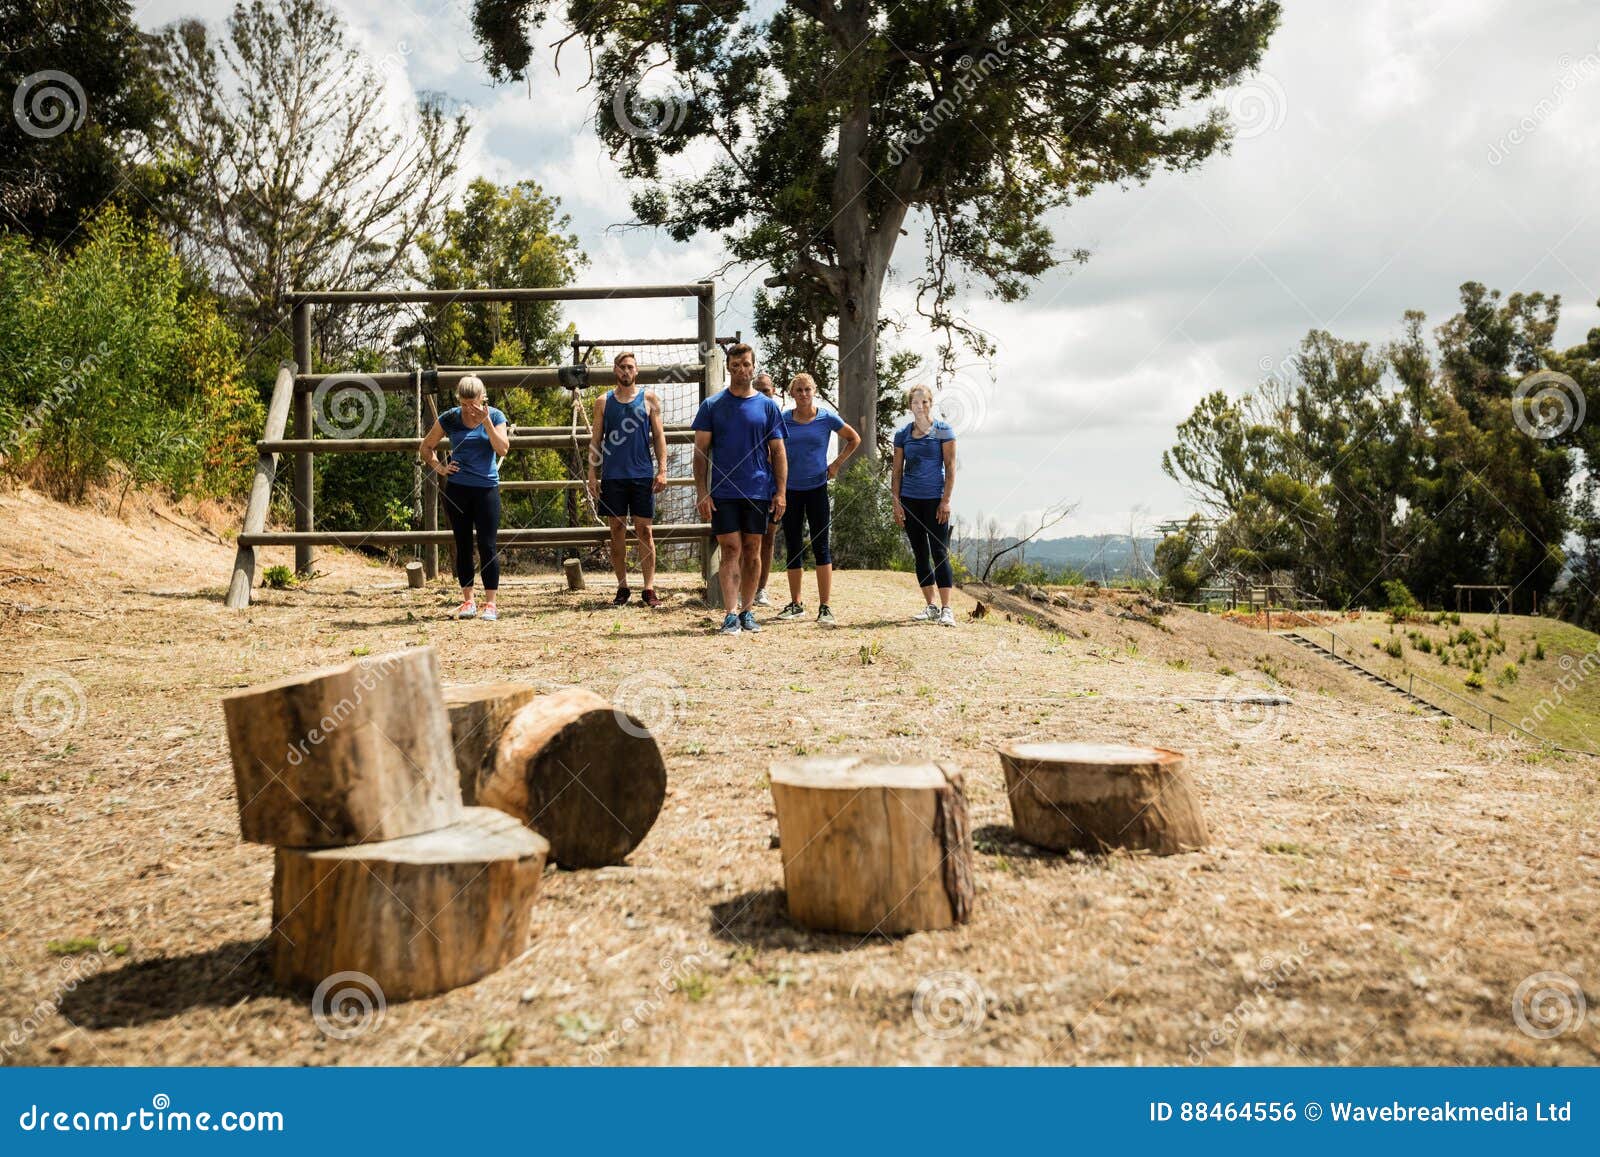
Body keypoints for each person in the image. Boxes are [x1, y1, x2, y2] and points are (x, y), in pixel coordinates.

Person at [692, 344, 786, 635]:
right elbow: (700, 453)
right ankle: (730, 614)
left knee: (752, 550)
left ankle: (747, 611)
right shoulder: (712, 406)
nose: (741, 370)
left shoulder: (768, 407)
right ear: (728, 368)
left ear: (753, 366)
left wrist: (781, 491)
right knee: (730, 549)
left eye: (746, 364)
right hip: (723, 492)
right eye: (735, 366)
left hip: (758, 490)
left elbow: (779, 452)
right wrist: (702, 492)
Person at [773, 373, 860, 627]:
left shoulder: (826, 418)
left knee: (821, 546)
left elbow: (854, 438)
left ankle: (825, 606)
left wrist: (835, 465)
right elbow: (772, 449)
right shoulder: (784, 419)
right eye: (798, 390)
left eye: (807, 389)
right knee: (793, 545)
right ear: (792, 394)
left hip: (818, 489)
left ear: (814, 391)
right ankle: (796, 603)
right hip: (790, 491)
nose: (803, 394)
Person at [420, 376, 510, 621]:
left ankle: (490, 603)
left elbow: (503, 449)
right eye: (465, 403)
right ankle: (468, 600)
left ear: (483, 399)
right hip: (458, 489)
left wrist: (487, 423)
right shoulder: (450, 417)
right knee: (463, 545)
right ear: (459, 400)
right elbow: (426, 447)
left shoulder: (496, 416)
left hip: (487, 489)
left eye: (474, 403)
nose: (469, 408)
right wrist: (440, 468)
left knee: (488, 545)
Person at [586, 352, 669, 607]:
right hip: (613, 477)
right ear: (615, 370)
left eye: (630, 367)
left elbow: (658, 436)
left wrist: (662, 469)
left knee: (645, 531)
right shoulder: (603, 402)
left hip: (642, 474)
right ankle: (622, 587)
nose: (626, 371)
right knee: (617, 531)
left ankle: (649, 588)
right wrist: (592, 474)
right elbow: (596, 440)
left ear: (637, 371)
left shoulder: (649, 399)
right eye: (622, 367)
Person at [892, 384, 958, 626]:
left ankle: (946, 609)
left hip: (935, 501)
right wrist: (896, 504)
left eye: (925, 402)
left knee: (939, 553)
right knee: (920, 554)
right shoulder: (903, 435)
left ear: (931, 404)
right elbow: (897, 471)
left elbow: (950, 467)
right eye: (915, 403)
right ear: (910, 406)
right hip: (910, 501)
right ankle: (930, 606)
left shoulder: (942, 430)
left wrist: (946, 500)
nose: (920, 407)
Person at [752, 372, 780, 607]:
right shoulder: (747, 411)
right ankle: (744, 587)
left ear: (774, 392)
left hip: (772, 486)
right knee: (747, 539)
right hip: (751, 484)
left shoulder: (777, 415)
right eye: (758, 390)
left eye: (766, 390)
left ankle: (761, 588)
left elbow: (782, 453)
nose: (763, 394)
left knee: (768, 537)